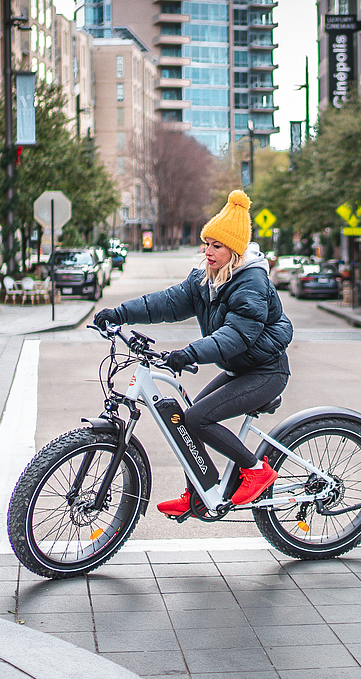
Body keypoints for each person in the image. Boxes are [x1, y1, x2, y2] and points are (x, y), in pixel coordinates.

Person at [93, 190, 293, 518]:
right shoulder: (204, 279)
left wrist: (189, 354)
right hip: (239, 369)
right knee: (186, 420)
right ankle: (198, 493)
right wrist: (120, 313)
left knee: (198, 418)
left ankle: (256, 469)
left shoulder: (251, 283)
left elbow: (236, 336)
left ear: (235, 250)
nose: (208, 251)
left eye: (217, 245)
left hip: (266, 372)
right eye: (207, 243)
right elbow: (167, 303)